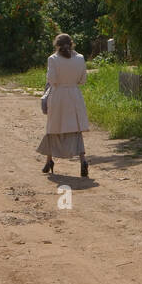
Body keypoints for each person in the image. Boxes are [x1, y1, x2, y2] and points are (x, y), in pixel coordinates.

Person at [37, 33, 91, 178]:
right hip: (74, 95)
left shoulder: (53, 59)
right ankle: (83, 160)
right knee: (75, 129)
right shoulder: (80, 58)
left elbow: (52, 79)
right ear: (72, 44)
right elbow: (83, 80)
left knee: (53, 129)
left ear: (57, 45)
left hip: (58, 96)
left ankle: (49, 161)